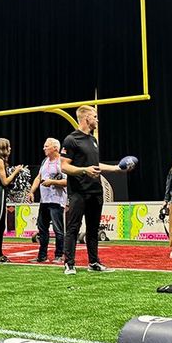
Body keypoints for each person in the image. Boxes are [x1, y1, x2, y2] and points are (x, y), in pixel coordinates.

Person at [60, 105, 123, 274]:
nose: (97, 119)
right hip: (78, 192)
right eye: (95, 116)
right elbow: (64, 166)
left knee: (93, 229)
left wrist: (116, 168)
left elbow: (95, 165)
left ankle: (93, 262)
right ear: (86, 118)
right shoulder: (71, 140)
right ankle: (69, 264)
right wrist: (83, 170)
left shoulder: (93, 140)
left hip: (96, 191)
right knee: (73, 228)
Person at [0, 138, 27, 263]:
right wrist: (16, 171)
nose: (10, 149)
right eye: (8, 147)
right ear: (3, 148)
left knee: (1, 225)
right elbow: (5, 182)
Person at [28, 137, 67, 263]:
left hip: (57, 200)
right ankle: (42, 256)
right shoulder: (45, 161)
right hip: (44, 201)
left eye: (46, 146)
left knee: (58, 230)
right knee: (42, 229)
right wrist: (31, 191)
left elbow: (67, 182)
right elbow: (38, 178)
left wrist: (52, 182)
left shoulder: (62, 162)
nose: (44, 148)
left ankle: (59, 255)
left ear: (55, 148)